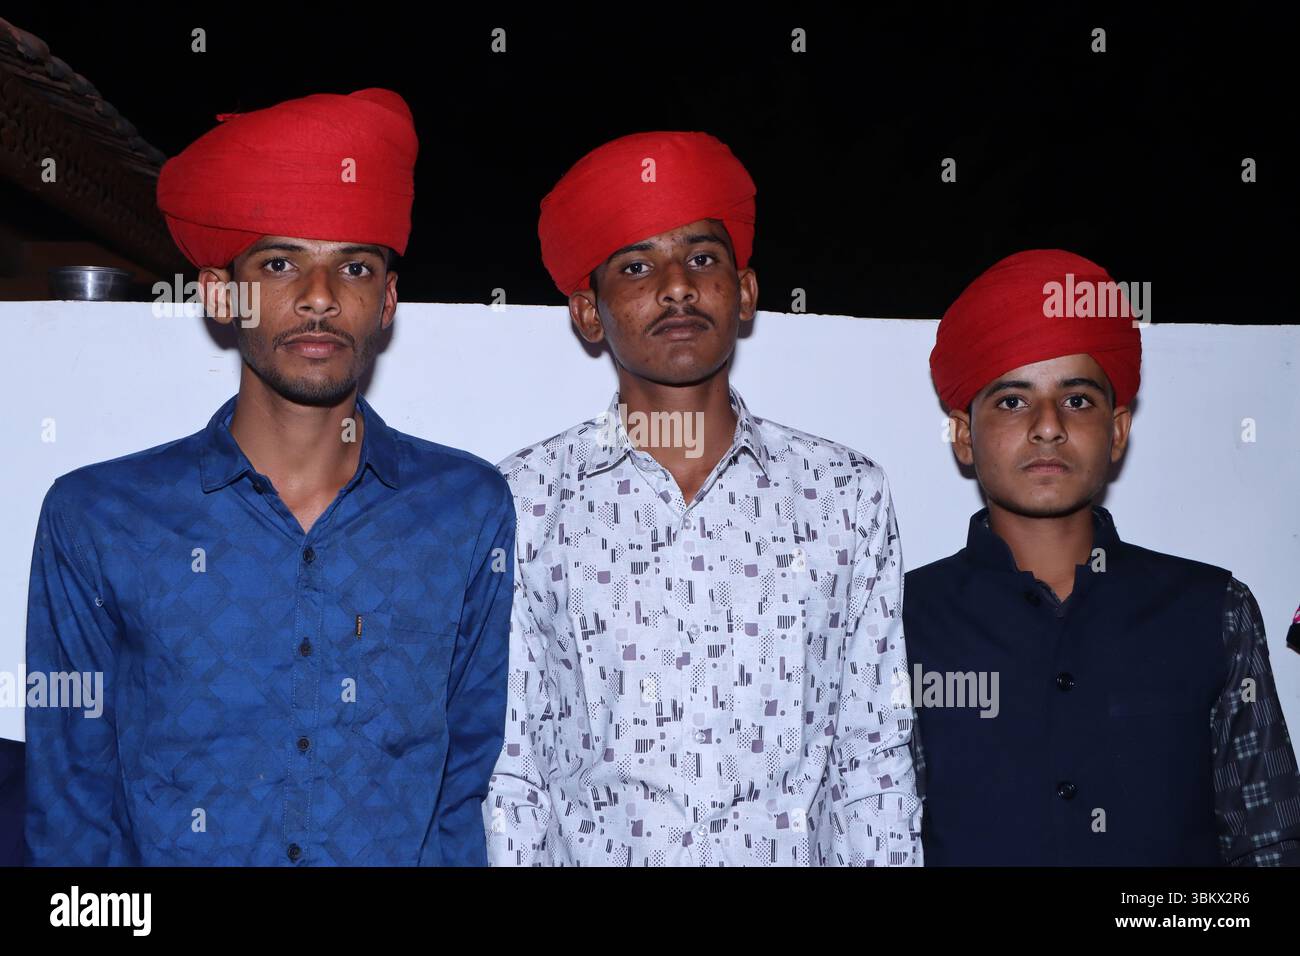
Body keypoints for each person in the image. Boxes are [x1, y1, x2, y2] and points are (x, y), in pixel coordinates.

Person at [24, 89, 514, 866]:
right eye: (281, 263)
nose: (319, 298)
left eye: (353, 266)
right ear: (222, 293)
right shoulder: (99, 518)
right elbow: (70, 805)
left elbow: (467, 786)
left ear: (386, 301)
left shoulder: (465, 510)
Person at [483, 131, 921, 866]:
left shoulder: (844, 495)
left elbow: (873, 760)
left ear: (745, 294)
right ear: (588, 313)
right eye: (636, 265)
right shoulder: (525, 499)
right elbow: (514, 769)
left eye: (702, 258)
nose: (677, 285)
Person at [906, 248, 1300, 865]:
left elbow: (1269, 845)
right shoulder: (896, 623)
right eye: (1012, 401)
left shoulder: (1215, 610)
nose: (1047, 426)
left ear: (1117, 431)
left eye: (1078, 400)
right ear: (962, 435)